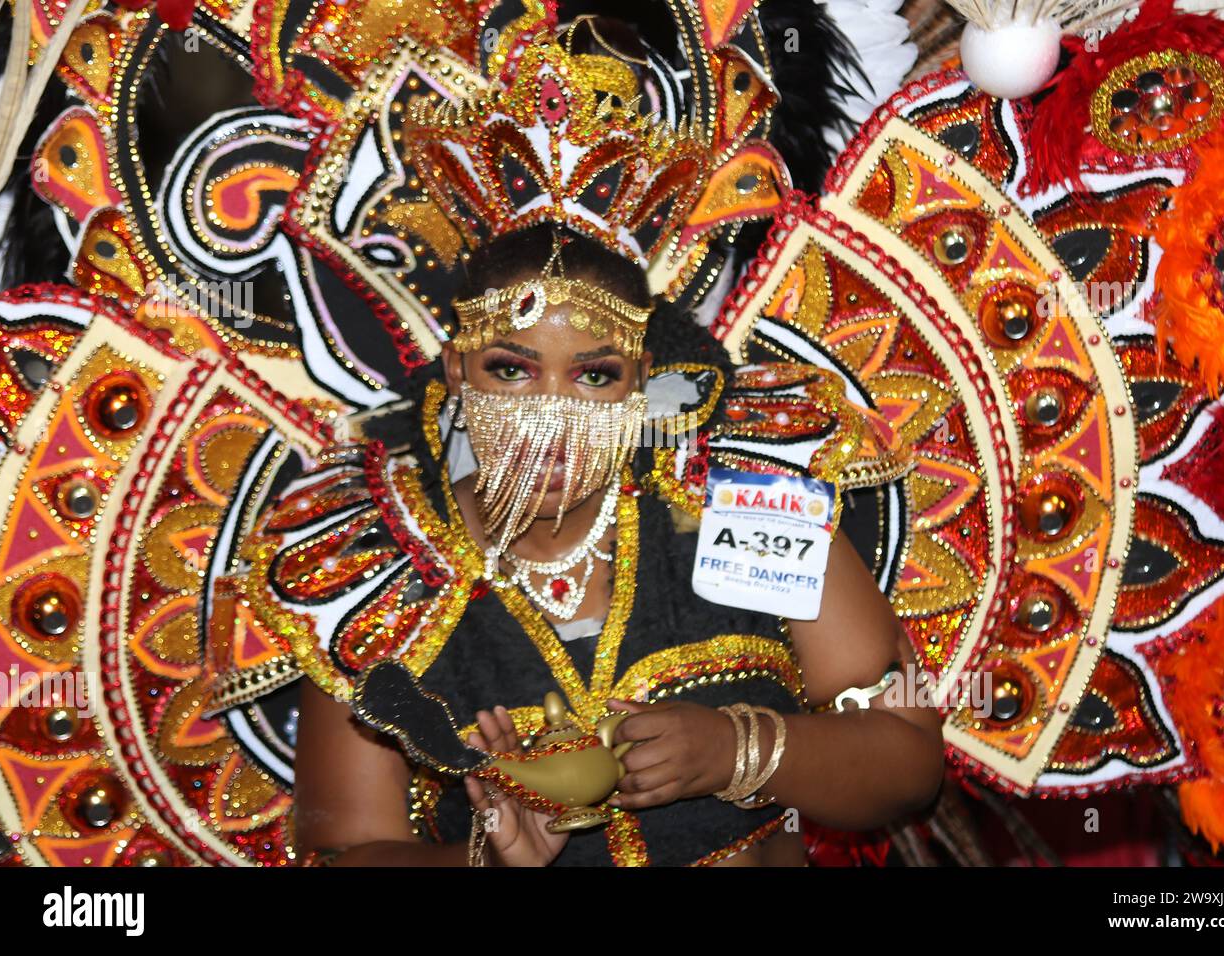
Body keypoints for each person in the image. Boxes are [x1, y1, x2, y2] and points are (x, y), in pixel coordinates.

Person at [277, 216, 944, 866]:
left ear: (639, 380)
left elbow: (908, 762)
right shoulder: (375, 574)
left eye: (594, 376)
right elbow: (342, 850)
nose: (552, 418)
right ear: (457, 371)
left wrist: (738, 749)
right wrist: (486, 858)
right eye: (512, 370)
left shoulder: (740, 511)